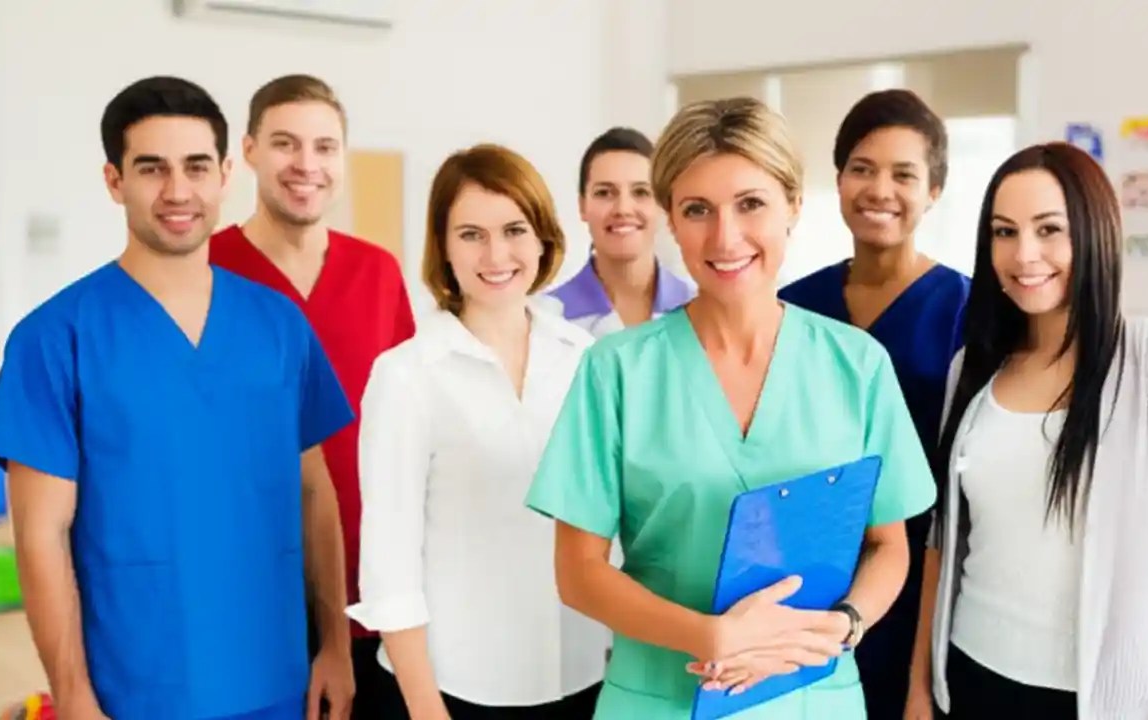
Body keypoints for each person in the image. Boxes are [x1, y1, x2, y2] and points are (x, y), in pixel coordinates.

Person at [524, 96, 937, 719]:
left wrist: (843, 626)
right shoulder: (617, 371)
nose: (726, 237)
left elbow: (889, 545)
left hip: (810, 695)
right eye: (697, 210)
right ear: (670, 218)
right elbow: (578, 572)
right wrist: (711, 637)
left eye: (751, 204)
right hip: (660, 697)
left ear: (793, 206)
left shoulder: (858, 365)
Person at [0, 76, 355, 719]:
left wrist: (335, 648)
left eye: (195, 167)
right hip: (133, 691)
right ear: (114, 181)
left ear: (224, 175)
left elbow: (314, 492)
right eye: (151, 168)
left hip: (276, 679)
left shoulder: (279, 326)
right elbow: (40, 533)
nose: (178, 191)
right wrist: (72, 694)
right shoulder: (53, 339)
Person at [905, 143, 1148, 720]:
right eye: (1004, 232)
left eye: (1048, 229)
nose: (1024, 254)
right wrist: (920, 690)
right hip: (970, 679)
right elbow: (942, 539)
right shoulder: (973, 367)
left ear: (1094, 233)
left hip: (1095, 702)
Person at [346, 143, 608, 720]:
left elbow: (611, 526)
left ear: (543, 237)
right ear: (442, 245)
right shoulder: (406, 375)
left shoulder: (585, 360)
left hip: (583, 673)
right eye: (470, 234)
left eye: (514, 229)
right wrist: (425, 708)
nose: (496, 254)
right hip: (454, 688)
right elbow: (389, 567)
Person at [209, 73, 416, 718]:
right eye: (285, 144)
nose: (306, 165)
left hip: (371, 585)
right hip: (245, 587)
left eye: (325, 147)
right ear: (247, 152)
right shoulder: (207, 269)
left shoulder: (377, 271)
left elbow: (409, 424)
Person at [778, 88, 969, 720]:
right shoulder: (792, 305)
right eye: (862, 169)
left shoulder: (968, 312)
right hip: (802, 568)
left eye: (903, 174)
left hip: (923, 572)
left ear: (934, 190)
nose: (879, 189)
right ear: (837, 180)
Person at [546, 127, 693, 337]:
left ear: (662, 204)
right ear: (582, 206)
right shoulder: (546, 317)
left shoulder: (700, 307)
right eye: (604, 193)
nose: (623, 208)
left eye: (641, 192)